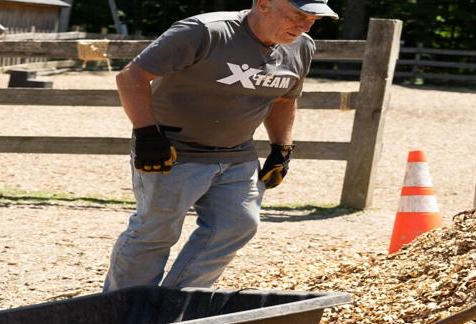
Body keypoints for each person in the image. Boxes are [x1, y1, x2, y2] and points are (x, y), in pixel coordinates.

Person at [102, 0, 334, 293]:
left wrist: (281, 148)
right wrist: (148, 134)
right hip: (172, 152)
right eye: (298, 15)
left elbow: (284, 99)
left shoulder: (301, 47)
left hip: (237, 153)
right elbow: (131, 77)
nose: (304, 26)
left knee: (236, 225)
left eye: (312, 19)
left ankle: (179, 302)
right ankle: (122, 308)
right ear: (263, 4)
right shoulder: (205, 32)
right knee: (155, 232)